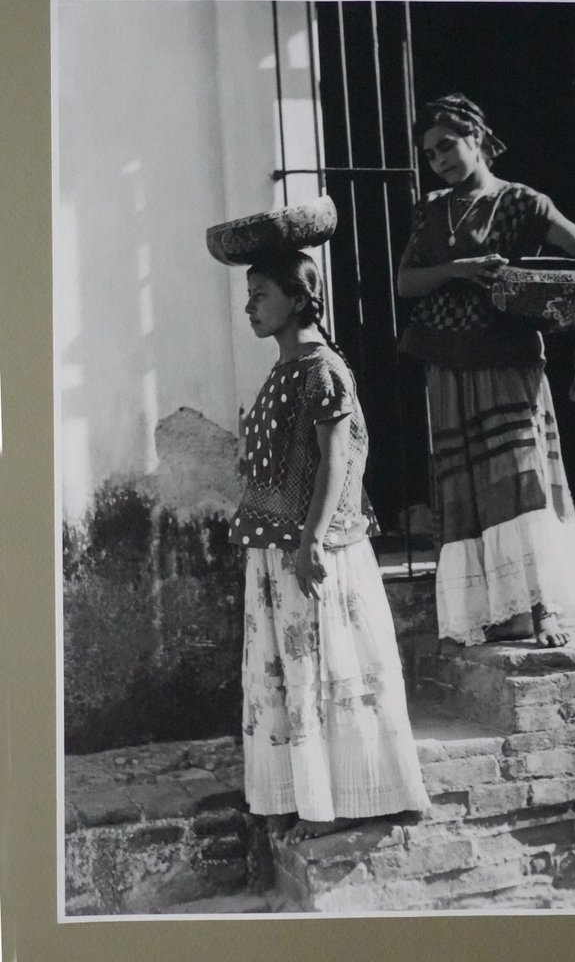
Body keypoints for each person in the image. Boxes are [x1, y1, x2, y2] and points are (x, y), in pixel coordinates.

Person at [397, 93, 575, 649]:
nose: (440, 160)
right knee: (469, 486)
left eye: (447, 145)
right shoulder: (430, 210)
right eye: (430, 154)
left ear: (476, 138)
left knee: (521, 480)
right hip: (447, 364)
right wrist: (458, 268)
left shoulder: (522, 202)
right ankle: (492, 611)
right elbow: (406, 283)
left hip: (507, 357)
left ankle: (542, 608)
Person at [228, 249, 429, 844]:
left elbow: (337, 459)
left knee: (326, 669)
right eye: (250, 294)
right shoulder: (286, 369)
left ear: (297, 298)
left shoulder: (321, 367)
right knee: (291, 673)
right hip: (277, 546)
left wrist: (313, 539)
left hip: (313, 551)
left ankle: (348, 798)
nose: (250, 306)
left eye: (261, 293)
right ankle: (299, 792)